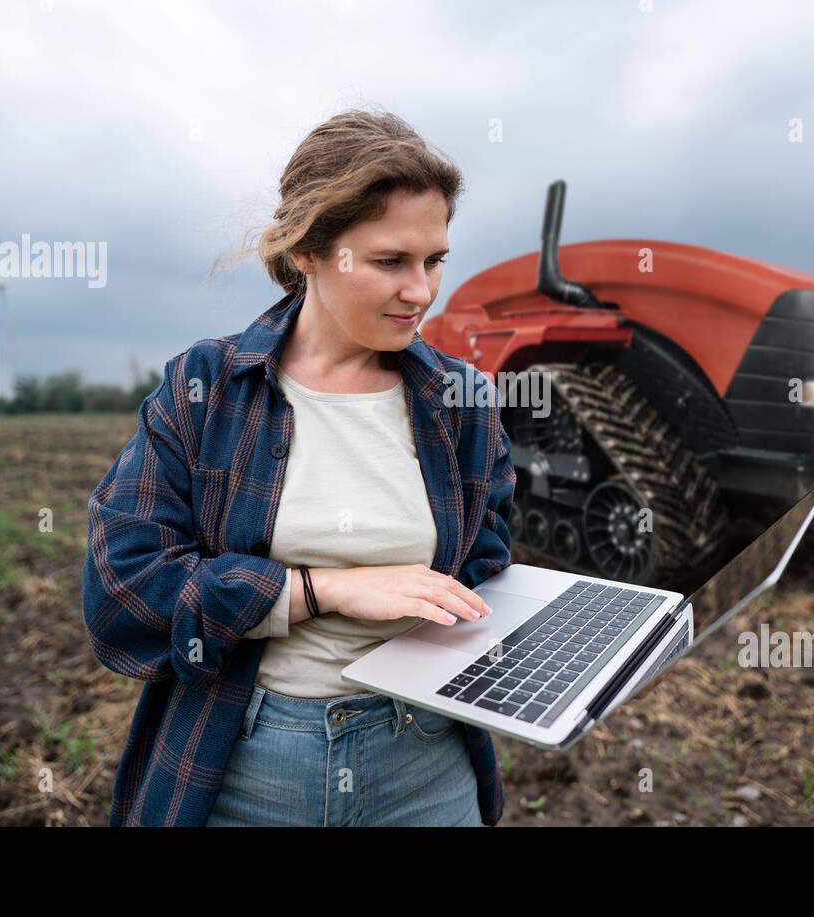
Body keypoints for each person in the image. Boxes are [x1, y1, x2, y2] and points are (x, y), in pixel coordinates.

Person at [81, 108, 515, 826]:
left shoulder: (462, 400)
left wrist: (557, 647)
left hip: (426, 766)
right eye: (390, 261)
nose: (423, 291)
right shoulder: (206, 388)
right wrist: (327, 590)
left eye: (435, 259)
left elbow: (487, 562)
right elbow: (124, 594)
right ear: (309, 252)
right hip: (246, 770)